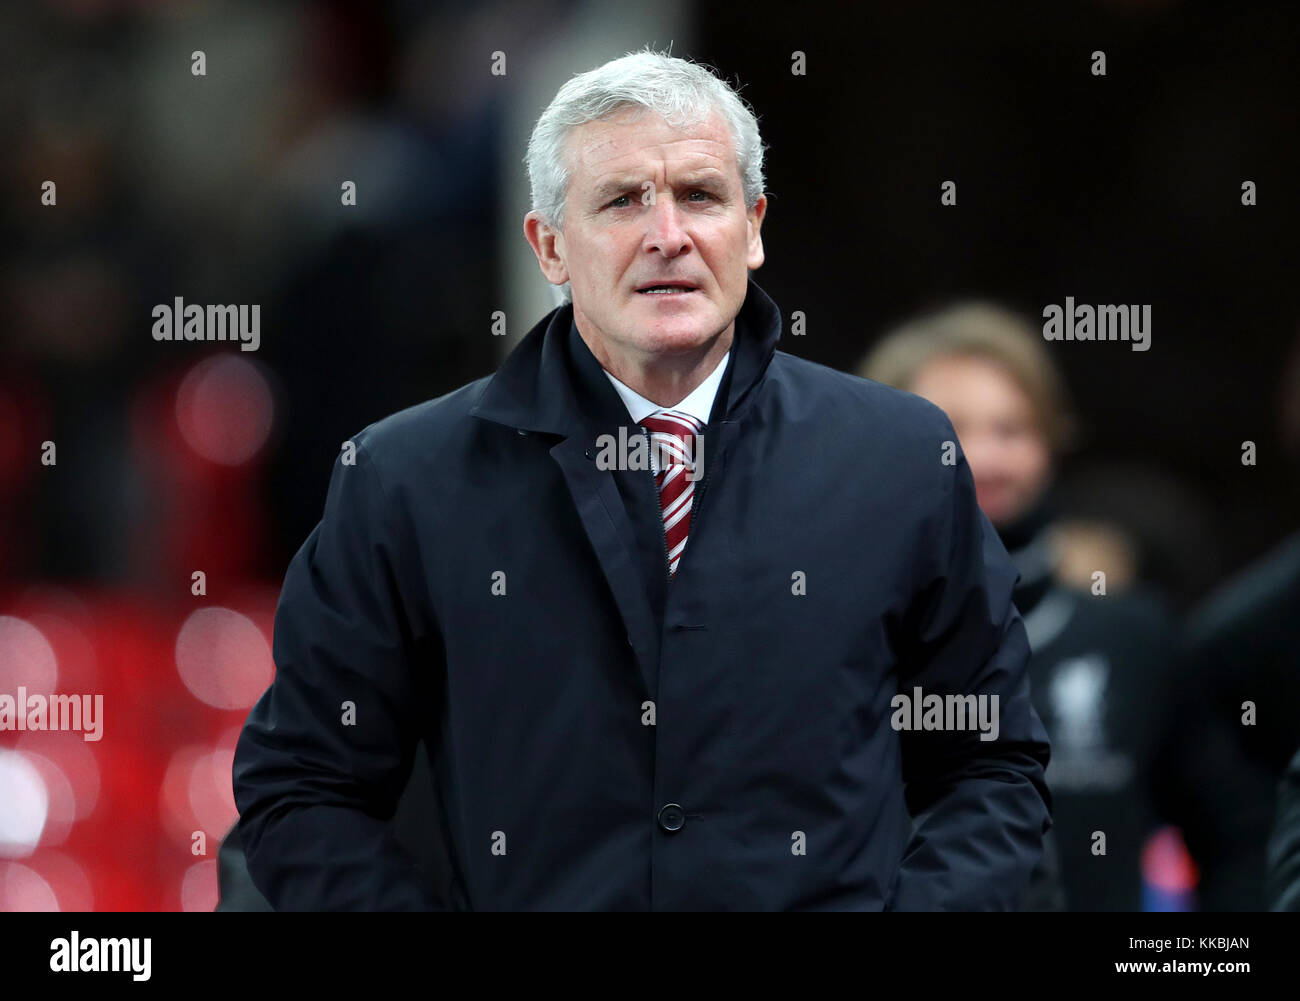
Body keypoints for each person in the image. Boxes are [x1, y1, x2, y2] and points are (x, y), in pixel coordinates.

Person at [232, 48, 1051, 911]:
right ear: (549, 245)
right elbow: (304, 789)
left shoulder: (899, 457)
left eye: (700, 195)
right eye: (623, 200)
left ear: (755, 224)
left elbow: (988, 763)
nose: (669, 235)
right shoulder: (404, 479)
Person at [860, 303, 1179, 910]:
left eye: (1012, 430)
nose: (984, 458)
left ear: (1051, 440)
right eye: (951, 429)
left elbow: (1224, 837)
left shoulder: (1133, 635)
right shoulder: (835, 631)